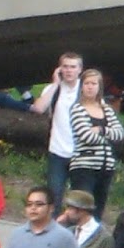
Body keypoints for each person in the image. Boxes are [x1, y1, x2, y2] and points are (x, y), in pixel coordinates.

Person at [65, 69, 124, 222]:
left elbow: (120, 134)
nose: (90, 87)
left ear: (100, 87)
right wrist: (107, 136)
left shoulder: (106, 109)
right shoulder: (77, 109)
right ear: (81, 86)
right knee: (81, 209)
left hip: (106, 167)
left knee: (97, 212)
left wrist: (100, 129)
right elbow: (86, 136)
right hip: (84, 167)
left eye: (94, 83)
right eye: (87, 83)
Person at [30, 52, 83, 207]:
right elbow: (39, 108)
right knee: (53, 195)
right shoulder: (53, 89)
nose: (69, 71)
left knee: (78, 200)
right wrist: (55, 84)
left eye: (73, 67)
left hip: (80, 153)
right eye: (65, 67)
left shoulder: (85, 89)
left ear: (80, 69)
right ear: (59, 69)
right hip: (57, 152)